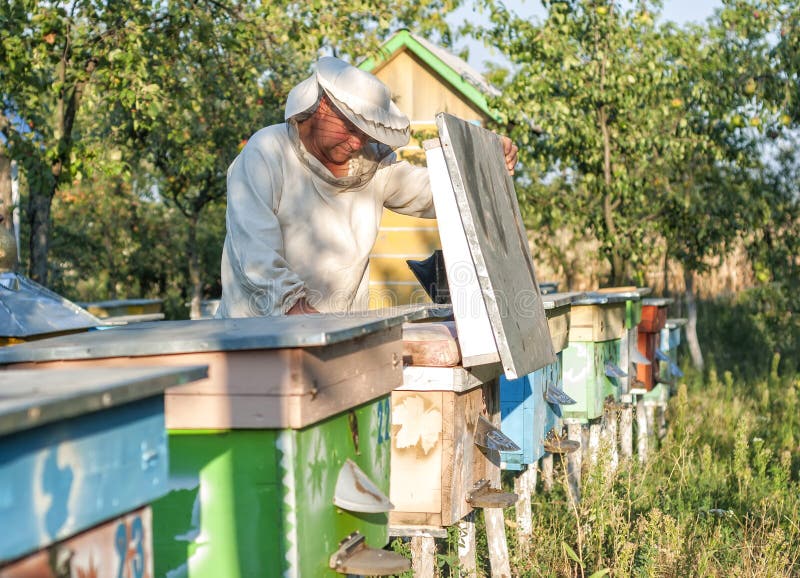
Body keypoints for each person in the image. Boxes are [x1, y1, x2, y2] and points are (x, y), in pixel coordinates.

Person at [217, 56, 518, 317]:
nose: (357, 143)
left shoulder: (372, 165)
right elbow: (255, 252)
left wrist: (485, 167)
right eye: (349, 128)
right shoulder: (266, 152)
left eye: (365, 134)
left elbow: (436, 192)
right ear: (322, 105)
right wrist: (296, 313)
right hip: (257, 336)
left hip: (336, 335)